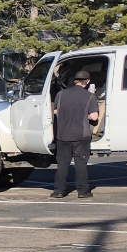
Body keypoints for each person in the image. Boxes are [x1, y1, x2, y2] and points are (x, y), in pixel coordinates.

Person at [51, 71, 100, 199]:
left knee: (62, 164)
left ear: (75, 80)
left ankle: (58, 191)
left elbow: (55, 111)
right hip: (81, 135)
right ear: (88, 81)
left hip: (62, 134)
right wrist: (86, 115)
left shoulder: (60, 94)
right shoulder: (90, 96)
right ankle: (83, 191)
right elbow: (94, 116)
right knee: (80, 164)